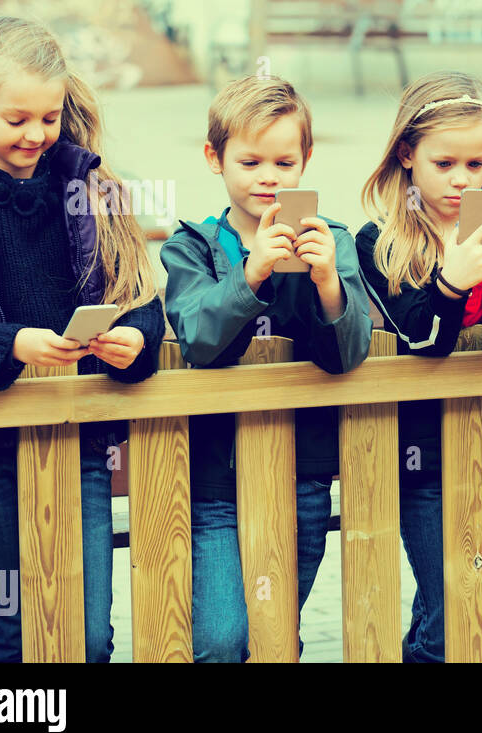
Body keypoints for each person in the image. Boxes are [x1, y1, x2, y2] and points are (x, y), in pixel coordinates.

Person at [0, 15, 165, 662]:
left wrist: (135, 341)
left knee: (89, 635)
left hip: (83, 441)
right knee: (9, 636)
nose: (36, 135)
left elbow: (139, 299)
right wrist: (10, 344)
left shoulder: (93, 188)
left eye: (49, 118)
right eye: (16, 119)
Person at [160, 75, 374, 662]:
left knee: (278, 631)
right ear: (215, 158)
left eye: (284, 160)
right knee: (224, 639)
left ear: (306, 160)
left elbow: (350, 353)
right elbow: (199, 339)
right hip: (216, 480)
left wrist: (329, 282)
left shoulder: (332, 241)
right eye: (249, 161)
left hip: (303, 472)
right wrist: (250, 274)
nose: (268, 176)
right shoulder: (191, 248)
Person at [356, 71, 482, 662]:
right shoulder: (377, 242)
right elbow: (422, 339)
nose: (463, 180)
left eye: (477, 164)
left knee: (470, 609)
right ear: (407, 154)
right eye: (445, 164)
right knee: (453, 617)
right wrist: (450, 282)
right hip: (425, 460)